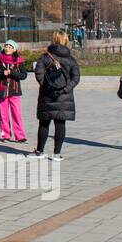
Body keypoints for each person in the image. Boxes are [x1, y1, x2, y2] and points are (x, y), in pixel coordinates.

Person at [32, 30, 80, 161]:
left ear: (54, 40)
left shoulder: (45, 57)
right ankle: (57, 153)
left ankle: (40, 151)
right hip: (64, 97)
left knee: (44, 123)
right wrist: (65, 90)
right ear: (65, 40)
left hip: (47, 95)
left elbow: (39, 73)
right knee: (60, 123)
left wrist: (47, 86)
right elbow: (76, 78)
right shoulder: (71, 59)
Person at [0, 39, 28, 143]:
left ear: (14, 49)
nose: (7, 48)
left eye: (10, 47)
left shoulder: (19, 61)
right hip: (1, 90)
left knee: (16, 114)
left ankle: (20, 136)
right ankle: (5, 135)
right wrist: (2, 73)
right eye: (6, 46)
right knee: (3, 114)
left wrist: (12, 73)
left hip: (14, 90)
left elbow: (24, 75)